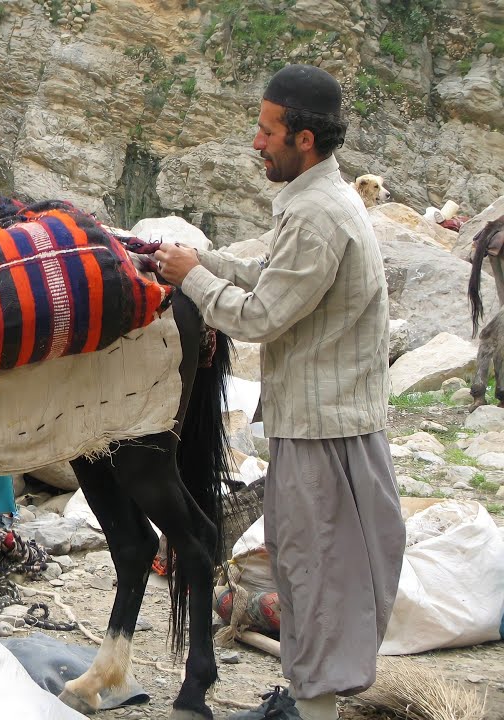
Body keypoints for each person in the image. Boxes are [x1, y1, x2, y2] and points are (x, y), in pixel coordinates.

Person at [153, 64, 404, 720]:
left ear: (305, 140)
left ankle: (312, 711)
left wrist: (194, 283)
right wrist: (201, 262)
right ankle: (306, 700)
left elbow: (261, 316)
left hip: (326, 436)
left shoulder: (321, 213)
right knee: (308, 569)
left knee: (317, 576)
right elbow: (273, 275)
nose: (256, 142)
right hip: (320, 426)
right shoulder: (319, 201)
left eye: (268, 131)